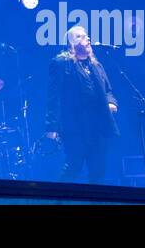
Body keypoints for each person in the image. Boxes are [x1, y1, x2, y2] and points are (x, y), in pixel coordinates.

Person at [44, 25, 119, 184]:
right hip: (75, 126)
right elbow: (54, 96)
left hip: (97, 126)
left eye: (86, 35)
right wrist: (52, 127)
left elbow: (108, 90)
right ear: (71, 43)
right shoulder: (61, 63)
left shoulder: (96, 66)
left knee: (98, 171)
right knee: (73, 168)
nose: (87, 39)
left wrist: (111, 103)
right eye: (80, 36)